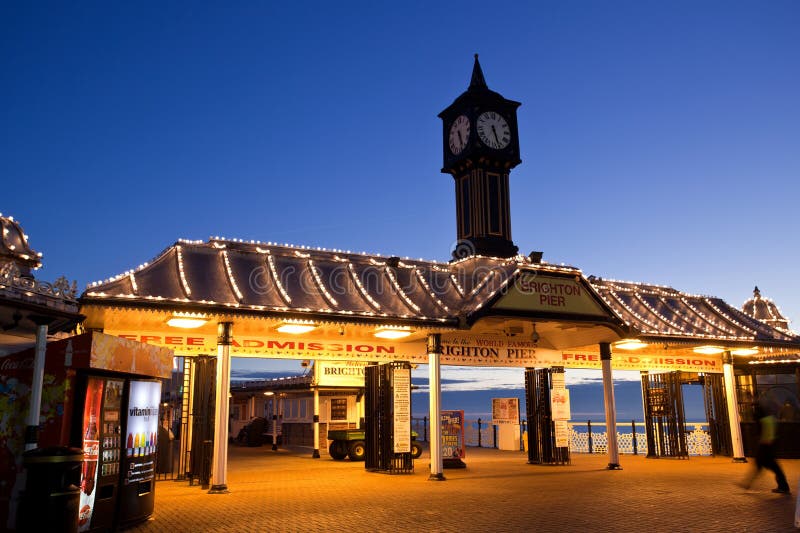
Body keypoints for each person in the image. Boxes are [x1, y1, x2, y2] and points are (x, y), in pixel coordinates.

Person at [741, 401, 791, 494]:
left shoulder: (765, 420)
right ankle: (748, 483)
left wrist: (763, 444)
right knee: (768, 466)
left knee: (770, 466)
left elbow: (767, 435)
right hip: (768, 446)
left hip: (766, 446)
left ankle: (783, 487)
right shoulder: (769, 419)